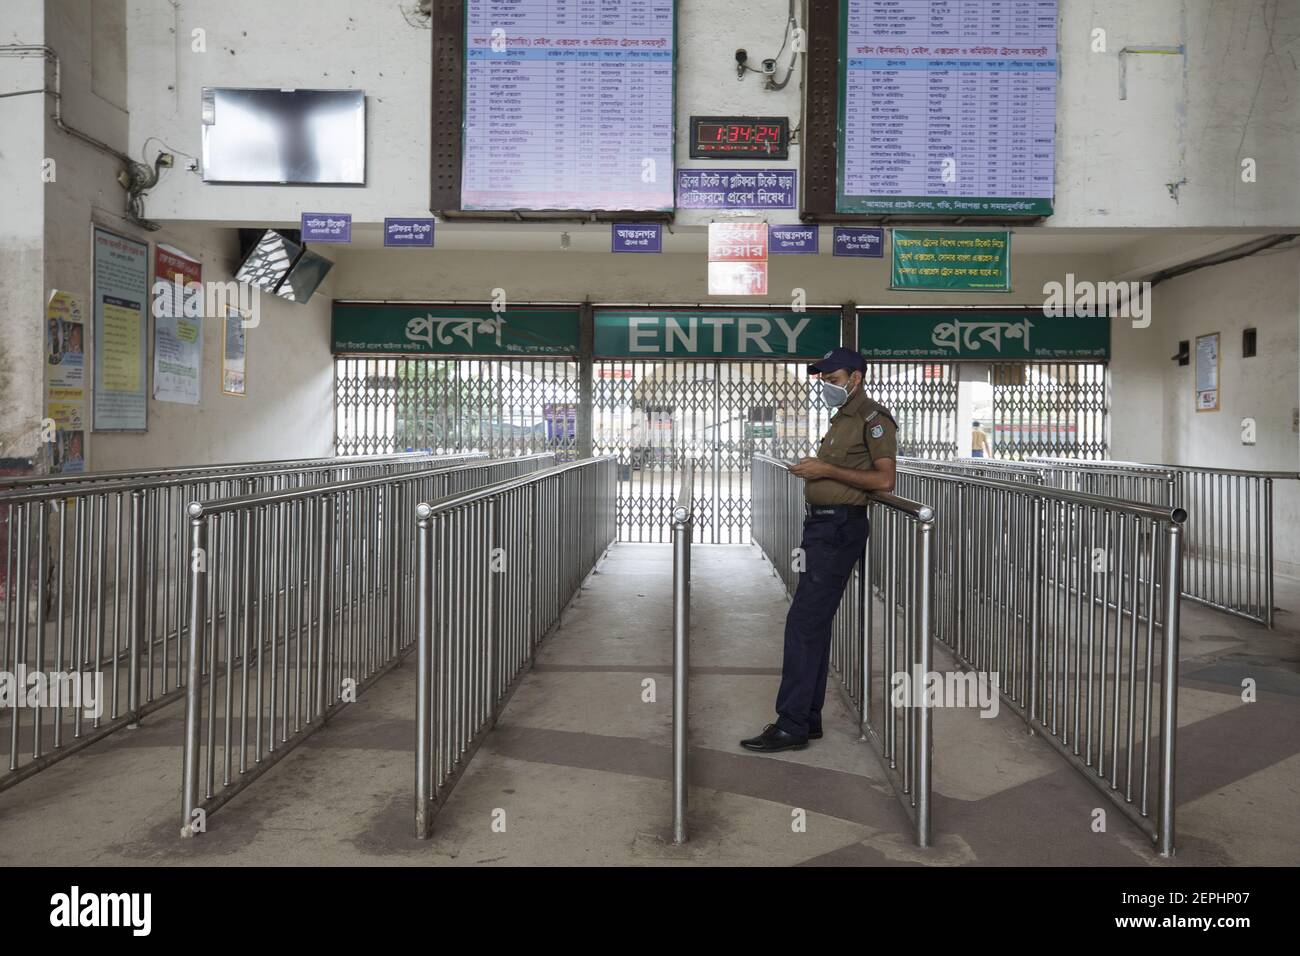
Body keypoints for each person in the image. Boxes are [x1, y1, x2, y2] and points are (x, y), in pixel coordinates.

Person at [741, 347, 897, 753]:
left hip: (838, 527)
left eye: (832, 378)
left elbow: (884, 481)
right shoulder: (841, 420)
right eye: (823, 379)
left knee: (803, 622)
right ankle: (806, 718)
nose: (826, 385)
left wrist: (825, 470)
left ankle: (792, 723)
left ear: (856, 378)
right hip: (823, 525)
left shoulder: (872, 419)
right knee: (814, 622)